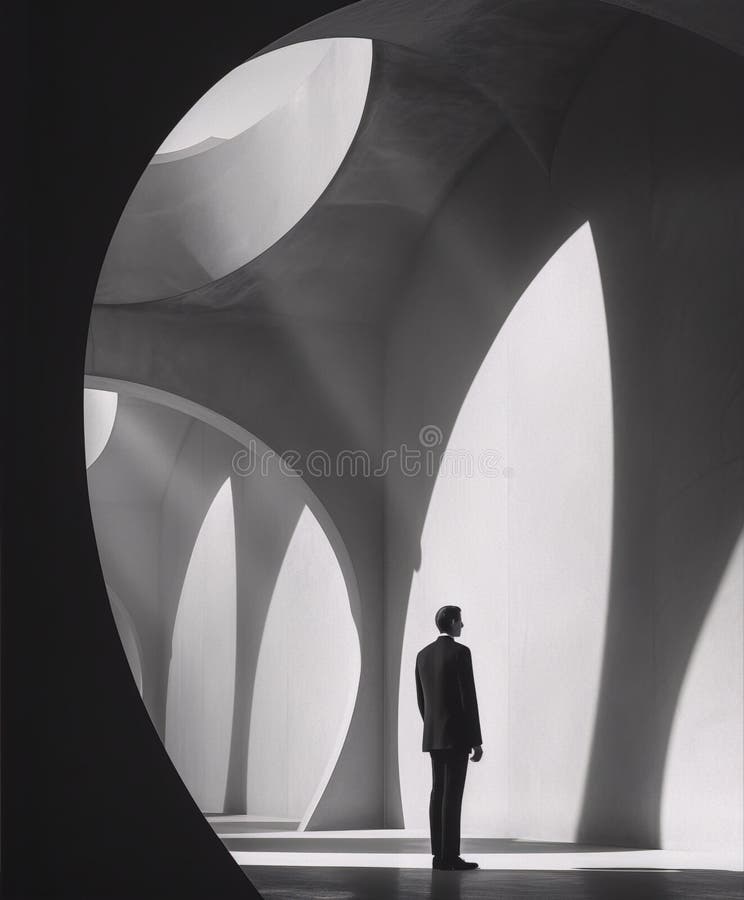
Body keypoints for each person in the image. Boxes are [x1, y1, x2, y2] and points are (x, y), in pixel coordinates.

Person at [415, 605, 483, 871]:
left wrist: (433, 726)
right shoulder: (460, 653)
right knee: (453, 795)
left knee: (438, 792)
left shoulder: (422, 655)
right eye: (461, 621)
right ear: (453, 622)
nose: (462, 626)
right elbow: (469, 700)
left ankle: (438, 855)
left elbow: (422, 701)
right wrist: (475, 740)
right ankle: (450, 857)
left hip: (433, 735)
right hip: (457, 737)